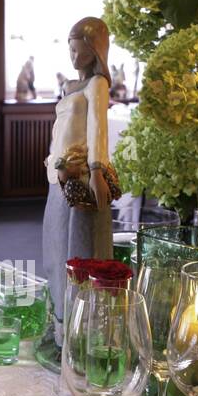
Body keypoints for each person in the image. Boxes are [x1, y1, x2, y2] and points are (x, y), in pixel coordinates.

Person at [42, 16, 119, 323]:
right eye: (70, 50)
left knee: (80, 247)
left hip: (82, 179)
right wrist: (52, 160)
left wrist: (97, 171)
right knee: (55, 246)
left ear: (95, 50)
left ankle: (85, 324)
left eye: (80, 50)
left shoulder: (97, 84)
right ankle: (60, 321)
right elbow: (60, 129)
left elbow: (97, 129)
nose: (74, 57)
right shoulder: (68, 85)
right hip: (58, 176)